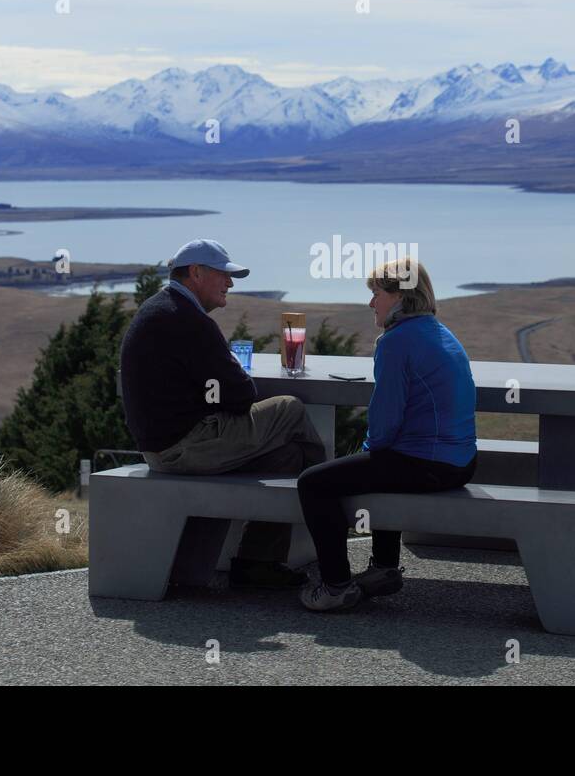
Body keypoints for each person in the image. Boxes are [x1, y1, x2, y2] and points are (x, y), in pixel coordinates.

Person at [119, 238, 326, 589]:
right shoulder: (188, 321)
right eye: (223, 275)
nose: (230, 283)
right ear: (196, 273)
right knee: (290, 410)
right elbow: (242, 395)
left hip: (162, 448)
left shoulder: (160, 309)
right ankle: (327, 525)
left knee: (287, 456)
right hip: (187, 446)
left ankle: (258, 563)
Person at [296, 257, 477, 611]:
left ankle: (336, 587)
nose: (370, 302)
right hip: (461, 461)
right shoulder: (439, 331)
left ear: (399, 296)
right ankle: (383, 569)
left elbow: (384, 420)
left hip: (430, 464)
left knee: (314, 483)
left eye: (376, 293)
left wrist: (365, 453)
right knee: (380, 466)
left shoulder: (397, 341)